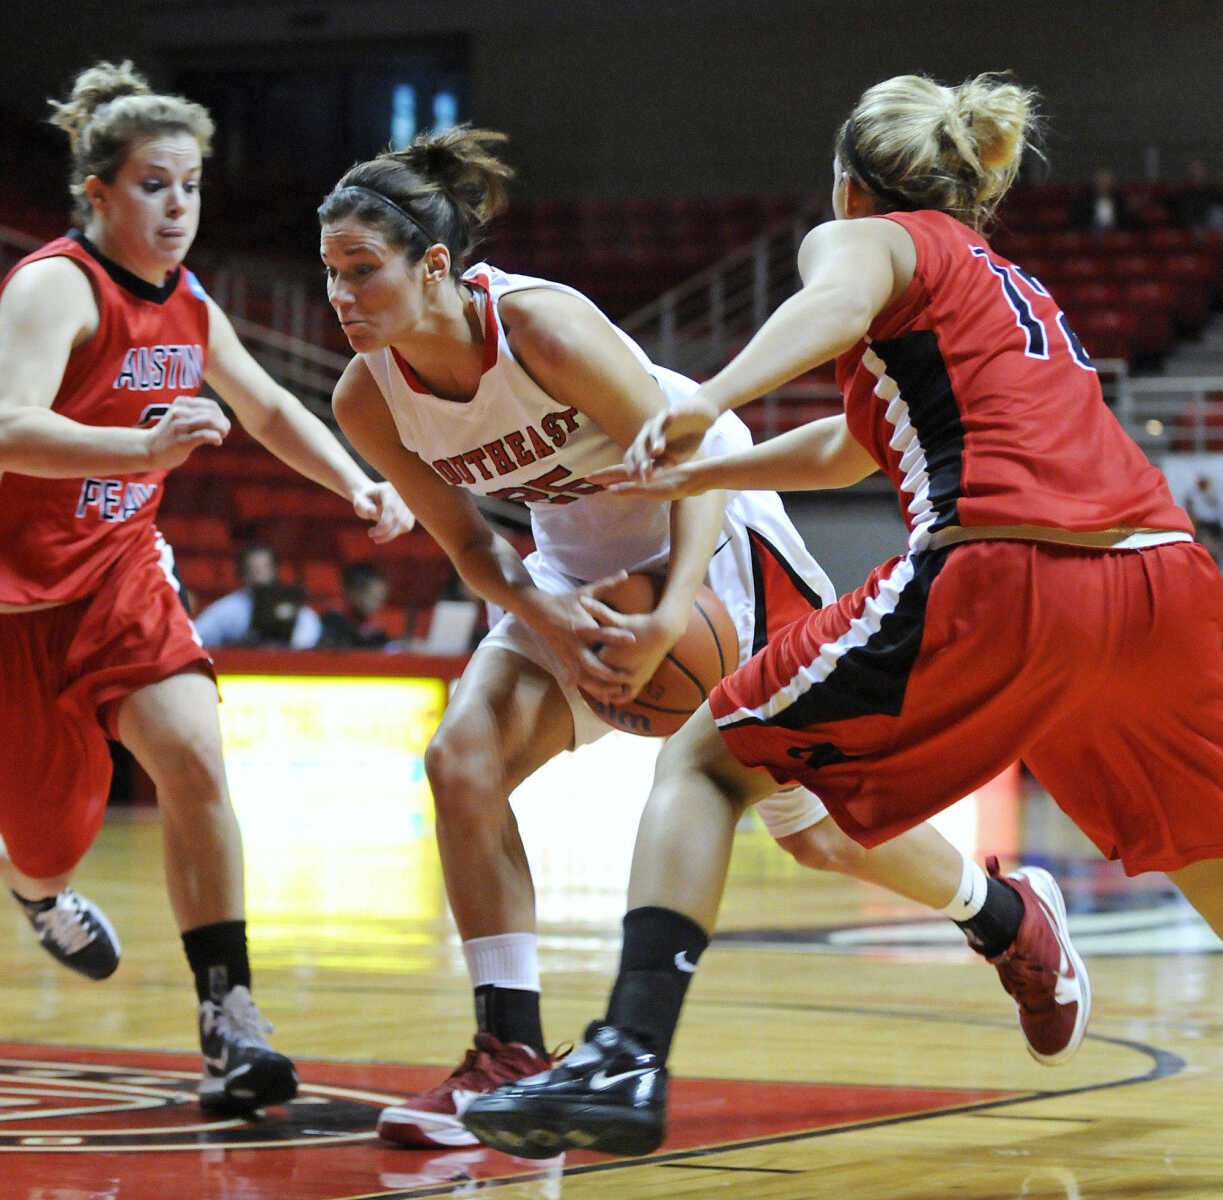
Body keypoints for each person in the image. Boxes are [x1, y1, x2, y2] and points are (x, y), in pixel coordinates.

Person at [459, 71, 1223, 1160]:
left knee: (704, 763)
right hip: (1163, 581)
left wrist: (706, 397)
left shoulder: (872, 240)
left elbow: (827, 305)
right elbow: (854, 445)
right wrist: (690, 479)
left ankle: (625, 1056)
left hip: (1008, 570)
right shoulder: (1002, 285)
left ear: (847, 184)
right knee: (1212, 848)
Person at [317, 123, 1077, 1151]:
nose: (342, 298)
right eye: (330, 276)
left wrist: (673, 611)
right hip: (570, 564)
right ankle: (508, 1048)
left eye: (362, 272)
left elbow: (694, 452)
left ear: (435, 266)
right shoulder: (366, 398)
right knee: (460, 761)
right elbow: (464, 541)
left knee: (810, 828)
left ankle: (1002, 917)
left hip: (709, 529)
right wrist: (542, 612)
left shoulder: (538, 327)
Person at [0, 61, 413, 1115]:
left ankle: (229, 1020)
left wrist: (356, 484)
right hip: (14, 604)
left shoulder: (187, 302)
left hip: (119, 575)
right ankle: (40, 890)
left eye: (189, 186)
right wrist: (137, 446)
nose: (177, 207)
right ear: (97, 191)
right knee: (50, 832)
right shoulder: (54, 286)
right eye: (151, 185)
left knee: (192, 756)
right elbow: (9, 429)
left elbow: (271, 409)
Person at [194, 541, 321, 648]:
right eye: (254, 569)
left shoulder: (294, 607)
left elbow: (308, 635)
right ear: (242, 573)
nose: (259, 575)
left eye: (265, 568)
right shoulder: (229, 608)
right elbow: (197, 637)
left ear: (275, 570)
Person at [317, 560, 392, 649]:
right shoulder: (332, 621)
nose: (378, 605)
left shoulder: (374, 631)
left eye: (381, 599)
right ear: (353, 593)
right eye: (373, 598)